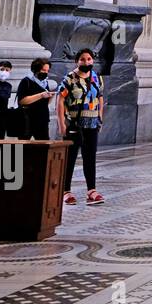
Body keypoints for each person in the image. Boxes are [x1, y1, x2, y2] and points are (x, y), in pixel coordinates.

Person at [57, 49, 104, 205]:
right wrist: (61, 123)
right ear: (77, 61)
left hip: (92, 123)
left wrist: (100, 118)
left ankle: (91, 190)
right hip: (74, 123)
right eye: (82, 59)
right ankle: (66, 190)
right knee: (70, 158)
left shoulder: (97, 78)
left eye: (89, 59)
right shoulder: (69, 79)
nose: (86, 62)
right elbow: (60, 100)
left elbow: (100, 98)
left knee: (90, 157)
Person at [17, 58, 57, 141]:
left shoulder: (45, 83)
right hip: (27, 120)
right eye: (43, 70)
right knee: (22, 147)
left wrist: (50, 96)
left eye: (47, 71)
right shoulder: (26, 81)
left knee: (44, 146)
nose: (45, 73)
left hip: (42, 119)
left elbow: (45, 103)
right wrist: (41, 95)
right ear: (36, 69)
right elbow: (22, 100)